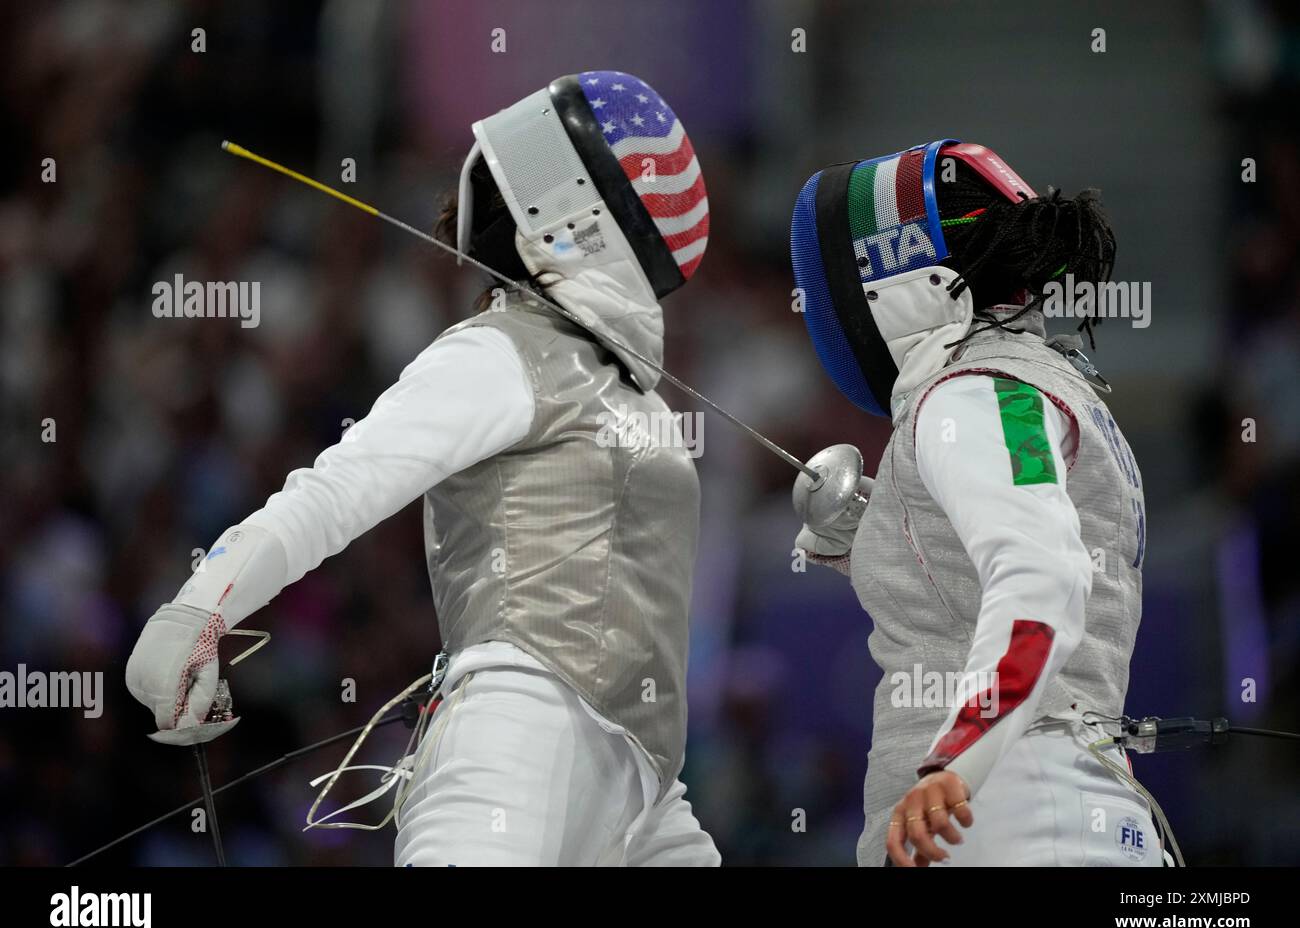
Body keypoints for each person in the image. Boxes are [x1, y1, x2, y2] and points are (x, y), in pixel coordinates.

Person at [125, 70, 719, 867]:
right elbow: (339, 488)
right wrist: (198, 611)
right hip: (518, 733)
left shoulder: (641, 400)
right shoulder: (504, 347)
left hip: (646, 788)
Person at [788, 140, 1158, 866]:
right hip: (1066, 803)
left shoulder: (976, 392)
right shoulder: (1026, 382)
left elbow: (1040, 573)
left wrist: (961, 754)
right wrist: (878, 528)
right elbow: (997, 566)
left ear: (900, 281)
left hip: (995, 813)